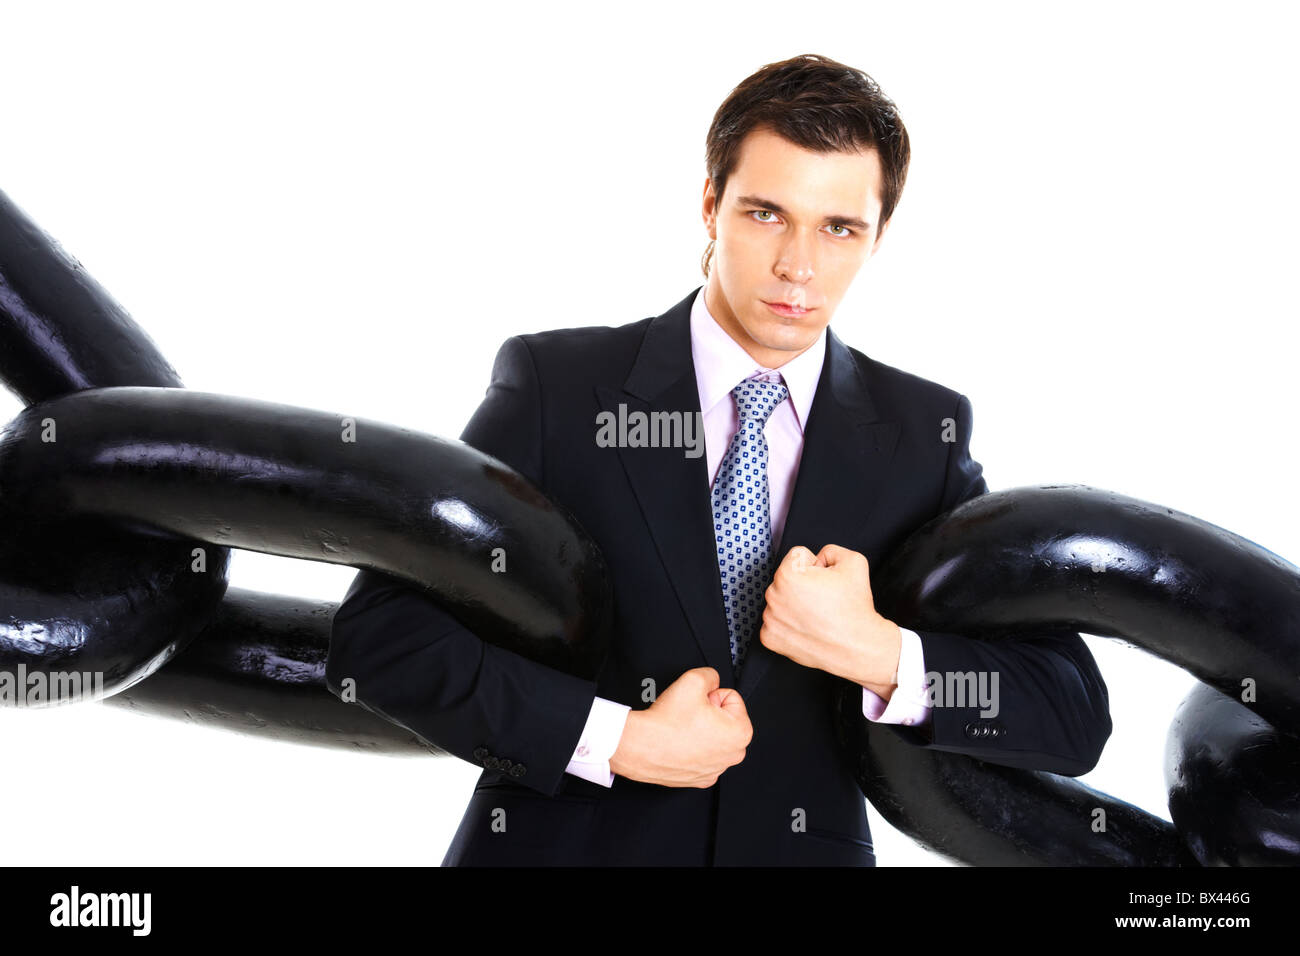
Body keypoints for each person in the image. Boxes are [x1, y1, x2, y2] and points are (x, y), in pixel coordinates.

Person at [325, 53, 1112, 866]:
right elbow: (383, 641)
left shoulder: (921, 435)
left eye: (839, 228)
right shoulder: (560, 388)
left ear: (877, 239)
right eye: (766, 214)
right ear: (711, 205)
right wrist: (617, 739)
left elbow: (1069, 712)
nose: (798, 267)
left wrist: (880, 652)